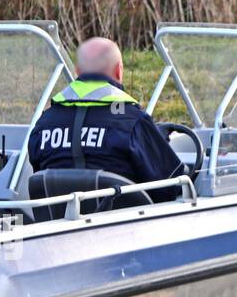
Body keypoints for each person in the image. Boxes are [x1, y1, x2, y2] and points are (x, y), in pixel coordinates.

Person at [27, 37, 183, 201]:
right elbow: (170, 186)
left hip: (57, 224)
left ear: (78, 72)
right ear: (118, 71)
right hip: (125, 224)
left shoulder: (44, 123)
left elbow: (39, 175)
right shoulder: (133, 121)